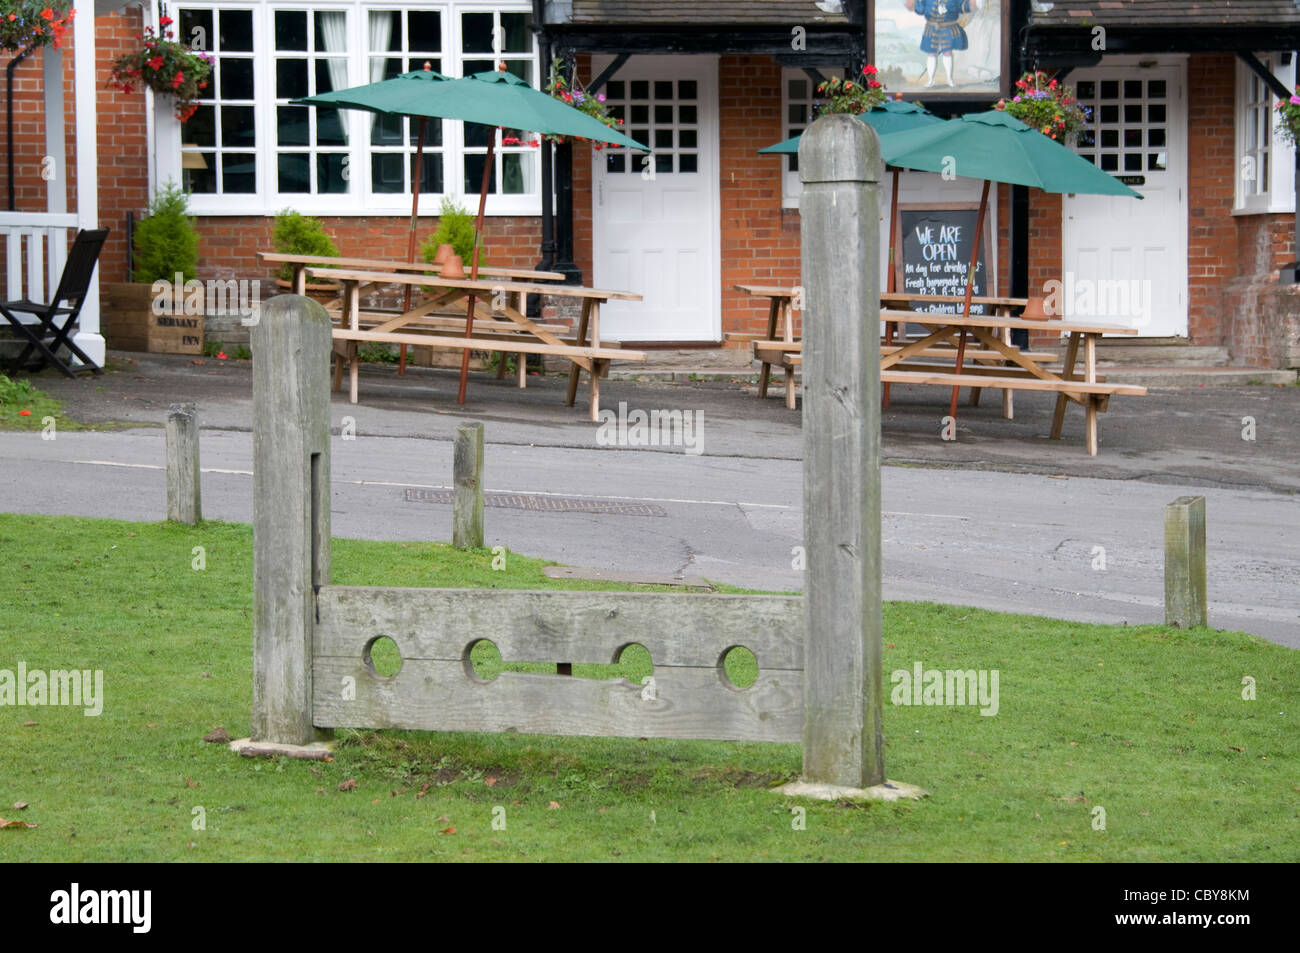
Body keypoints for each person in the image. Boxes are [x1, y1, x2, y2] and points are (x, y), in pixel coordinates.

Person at [905, 0, 980, 88]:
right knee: (931, 54)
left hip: (948, 28)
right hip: (932, 28)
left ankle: (949, 79)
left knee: (947, 53)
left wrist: (971, 4)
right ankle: (931, 80)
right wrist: (913, 4)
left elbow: (962, 6)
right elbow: (921, 10)